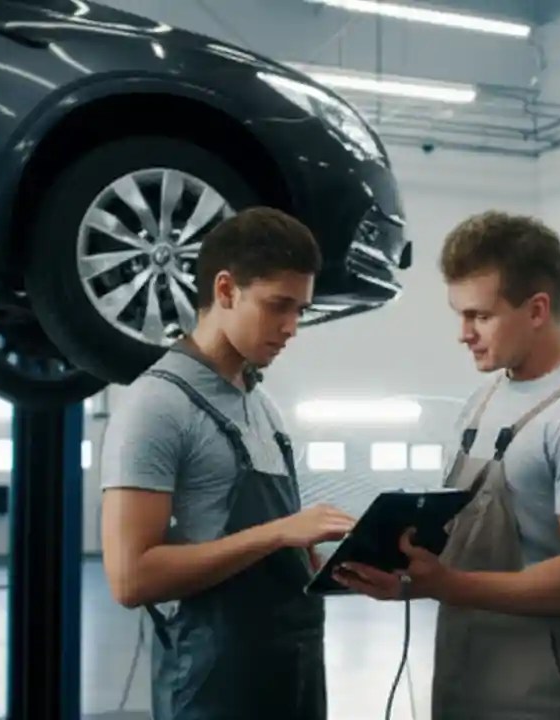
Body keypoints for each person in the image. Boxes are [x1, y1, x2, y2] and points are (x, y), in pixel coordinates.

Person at [335, 210, 560, 719]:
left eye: (480, 316)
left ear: (537, 309)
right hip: (467, 676)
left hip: (549, 694)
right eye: (459, 315)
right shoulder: (483, 402)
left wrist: (446, 585)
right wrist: (395, 559)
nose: (463, 333)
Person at [99, 207, 356, 720]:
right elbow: (130, 578)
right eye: (278, 306)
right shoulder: (156, 405)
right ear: (225, 290)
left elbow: (270, 543)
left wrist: (331, 559)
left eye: (300, 310)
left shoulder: (262, 406)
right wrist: (278, 533)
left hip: (293, 675)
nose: (291, 328)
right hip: (214, 687)